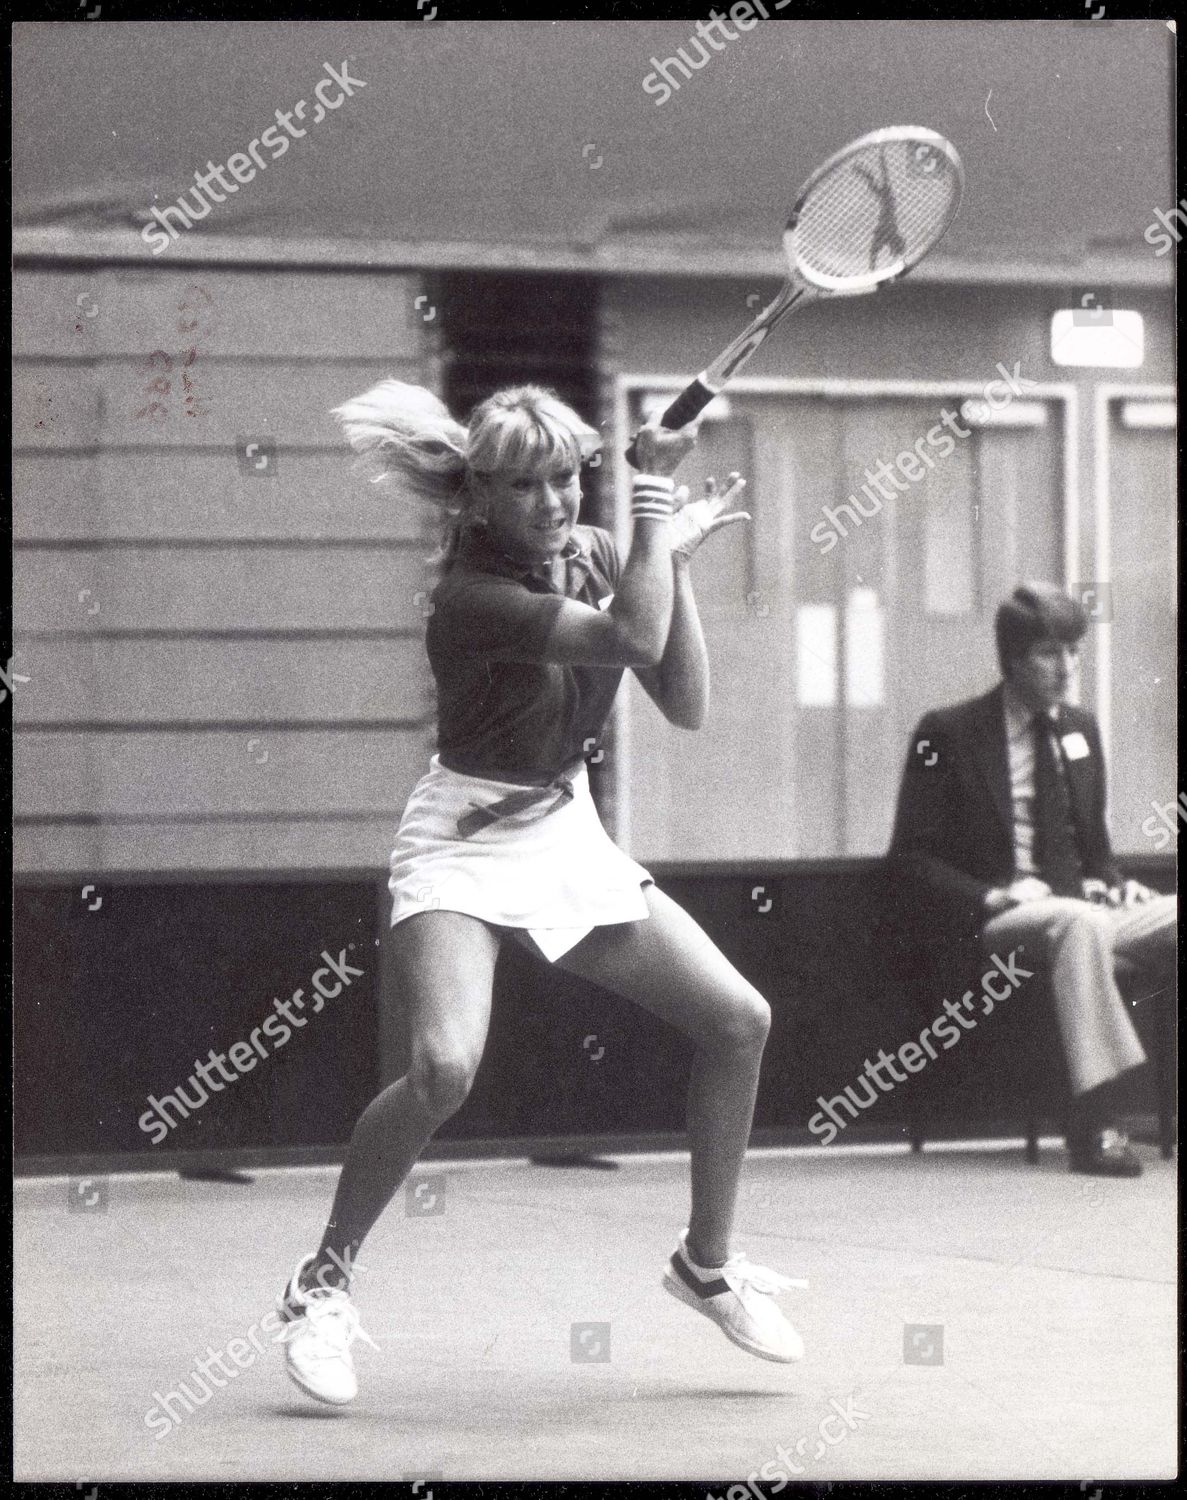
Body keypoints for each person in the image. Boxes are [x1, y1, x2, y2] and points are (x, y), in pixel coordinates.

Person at [276, 380, 807, 1405]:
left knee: (739, 1020)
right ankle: (322, 1282)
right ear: (478, 499)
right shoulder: (467, 600)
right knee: (441, 1069)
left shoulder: (607, 553)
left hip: (563, 830)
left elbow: (682, 698)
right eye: (524, 487)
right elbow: (627, 643)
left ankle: (705, 1264)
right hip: (459, 842)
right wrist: (655, 513)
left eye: (565, 478)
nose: (553, 502)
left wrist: (668, 559)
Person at [889, 582, 1176, 1177]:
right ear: (1012, 658)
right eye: (1049, 654)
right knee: (1080, 921)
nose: (1066, 668)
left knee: (1108, 916)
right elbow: (909, 859)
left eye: (1073, 652)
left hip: (1082, 913)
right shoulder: (948, 733)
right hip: (1000, 917)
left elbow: (1094, 848)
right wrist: (996, 893)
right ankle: (1095, 1125)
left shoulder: (1081, 729)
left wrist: (1114, 881)